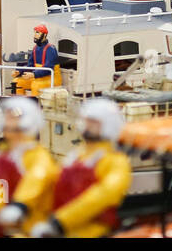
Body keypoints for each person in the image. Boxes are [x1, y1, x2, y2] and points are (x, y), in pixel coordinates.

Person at [31, 98, 131, 238]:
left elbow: (102, 196)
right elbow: (54, 183)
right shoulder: (77, 155)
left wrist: (61, 221)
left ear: (109, 125)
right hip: (61, 227)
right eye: (86, 120)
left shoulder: (115, 161)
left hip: (92, 231)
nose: (87, 126)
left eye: (94, 122)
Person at [0, 96, 59, 236]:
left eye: (14, 117)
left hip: (31, 226)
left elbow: (35, 180)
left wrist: (19, 206)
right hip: (4, 224)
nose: (8, 121)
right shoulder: (5, 155)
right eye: (8, 116)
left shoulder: (37, 157)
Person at [7, 23, 60, 95]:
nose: (34, 35)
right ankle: (18, 104)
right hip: (38, 77)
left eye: (37, 33)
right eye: (34, 32)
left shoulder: (50, 49)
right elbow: (30, 65)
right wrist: (19, 71)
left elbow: (48, 69)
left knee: (36, 85)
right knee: (16, 82)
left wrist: (33, 74)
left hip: (51, 78)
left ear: (44, 35)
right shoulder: (35, 48)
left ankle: (35, 105)